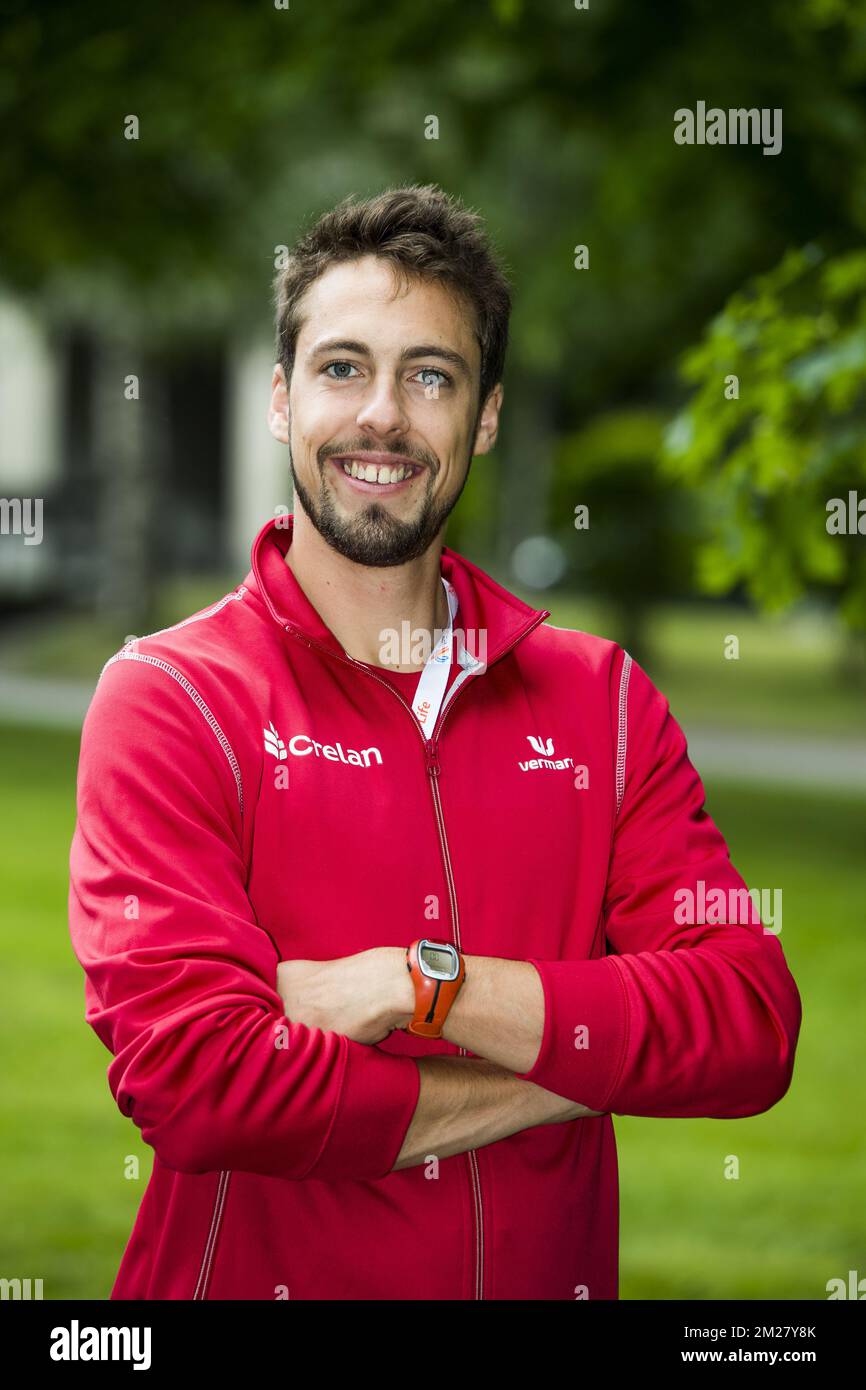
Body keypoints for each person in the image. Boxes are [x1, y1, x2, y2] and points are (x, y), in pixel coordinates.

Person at [68, 183, 802, 1300]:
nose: (382, 418)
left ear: (485, 417)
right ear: (281, 398)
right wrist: (572, 1061)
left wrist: (414, 986)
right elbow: (198, 1078)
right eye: (342, 367)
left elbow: (747, 1021)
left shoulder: (599, 698)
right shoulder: (170, 696)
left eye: (429, 376)